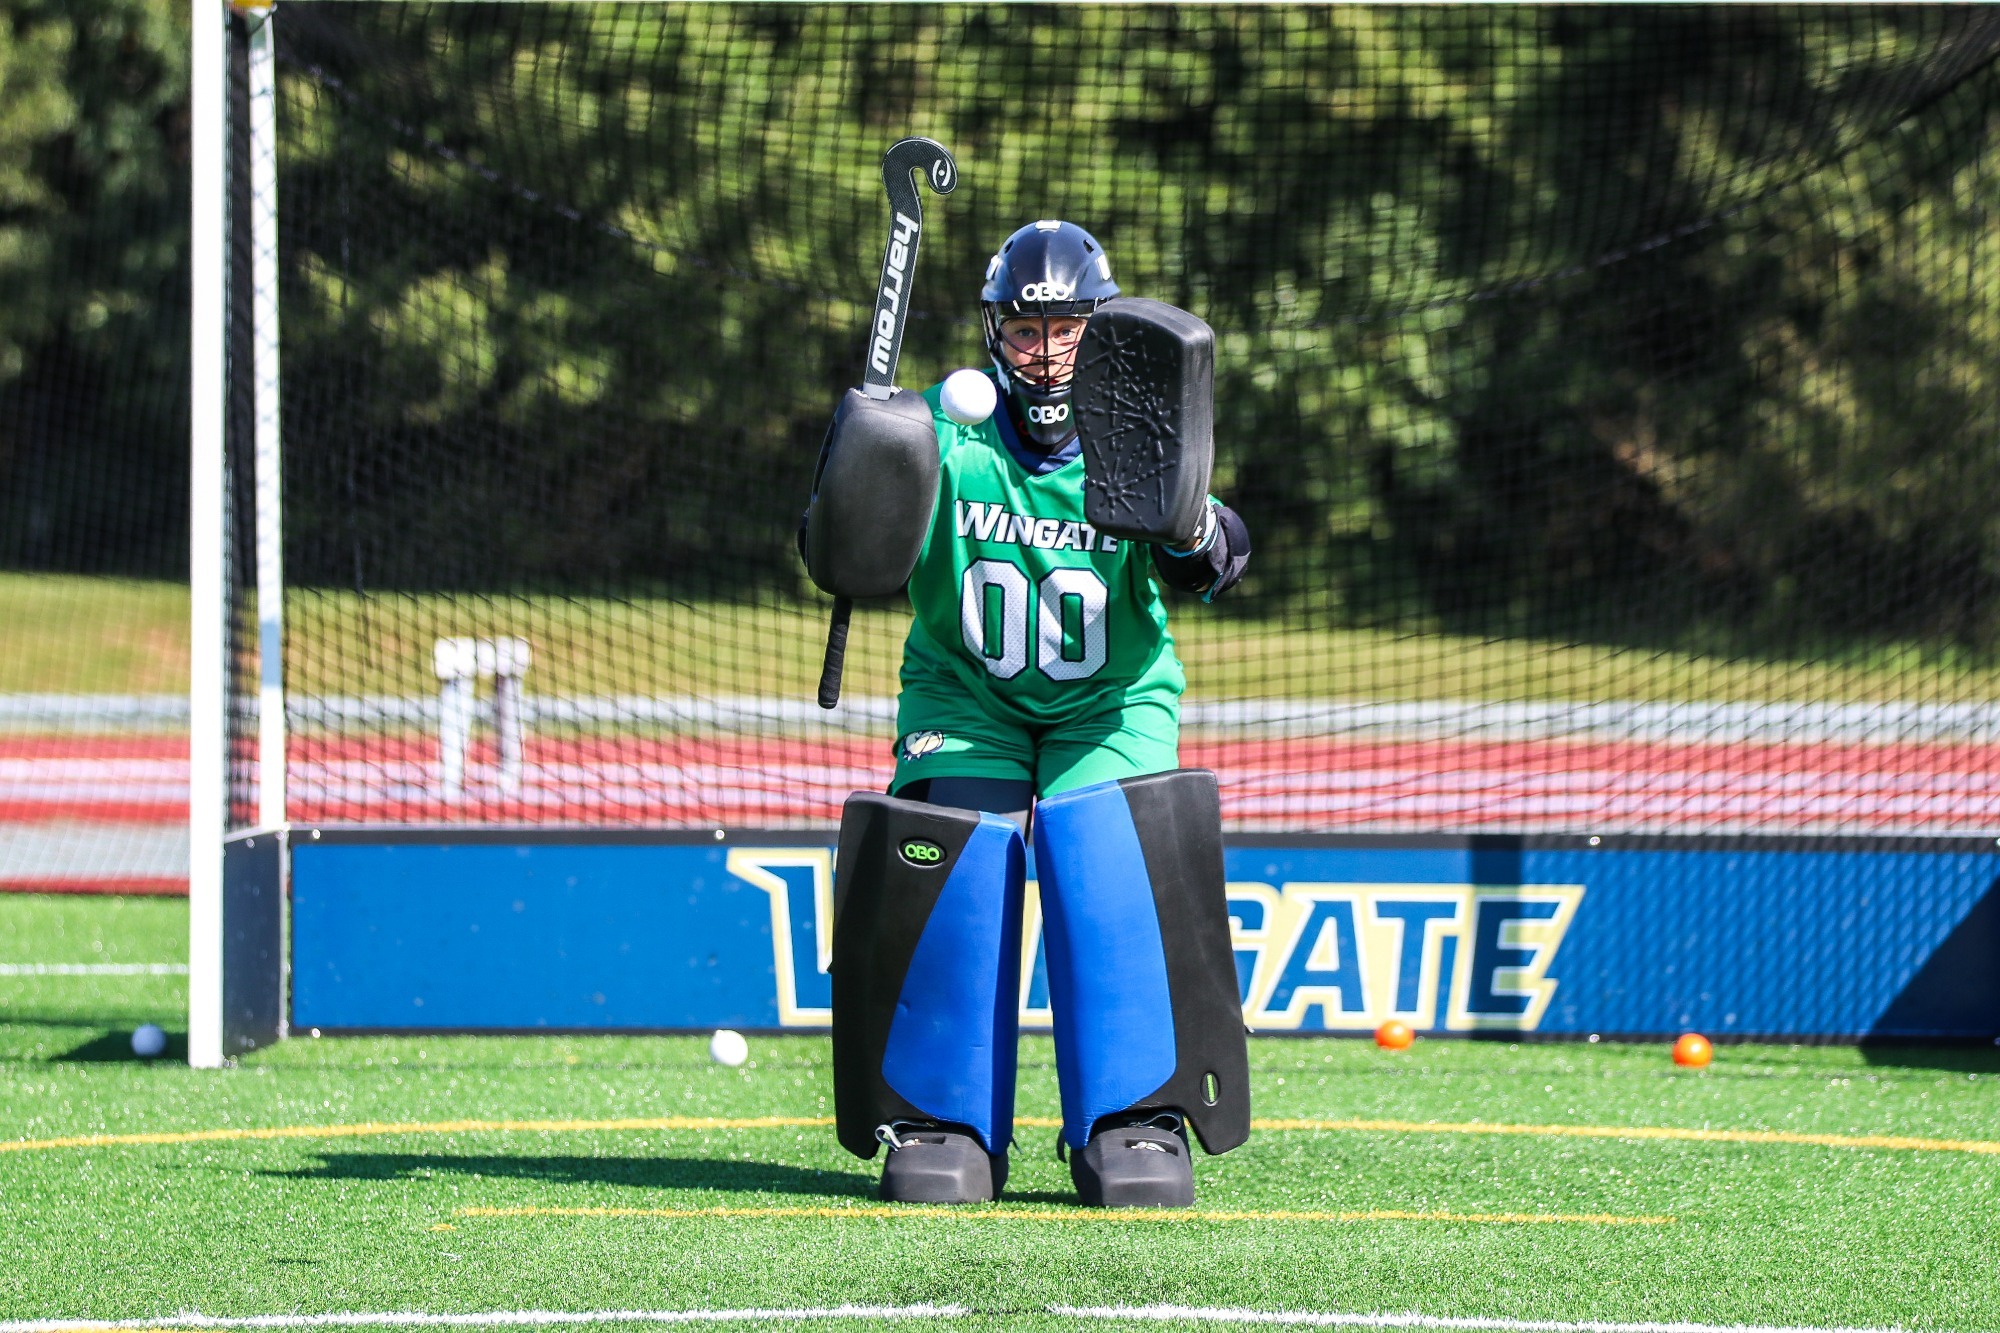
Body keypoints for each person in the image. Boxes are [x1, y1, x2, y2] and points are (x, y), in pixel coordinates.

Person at [815, 219, 1251, 1208]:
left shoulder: (1137, 432)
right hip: (965, 695)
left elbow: (1218, 555)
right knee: (954, 859)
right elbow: (842, 552)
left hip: (1109, 704)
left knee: (1112, 858)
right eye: (1025, 329)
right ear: (993, 333)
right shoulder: (940, 432)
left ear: (1099, 330)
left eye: (1066, 329)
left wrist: (1190, 526)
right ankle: (941, 1116)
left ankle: (1135, 1114)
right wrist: (853, 477)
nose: (1046, 352)